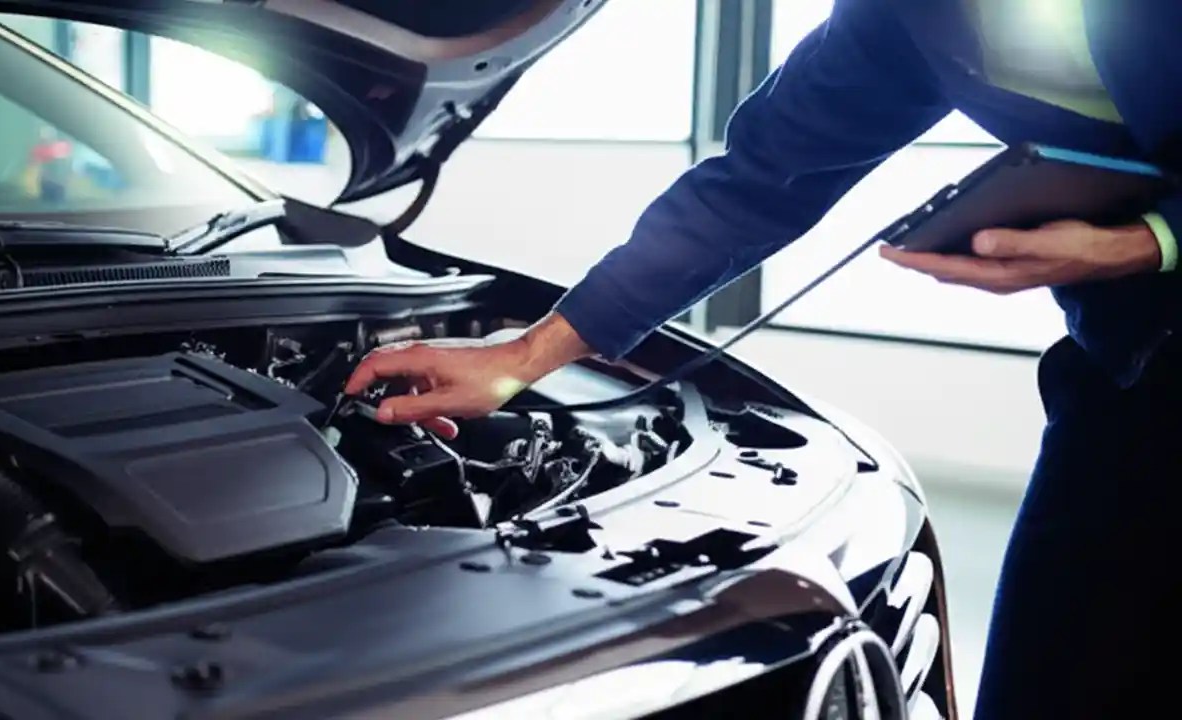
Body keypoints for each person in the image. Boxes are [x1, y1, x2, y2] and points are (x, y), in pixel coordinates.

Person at [345, 1, 1181, 716]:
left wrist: (1150, 242)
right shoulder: (905, 17)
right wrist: (526, 356)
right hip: (1133, 377)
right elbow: (759, 178)